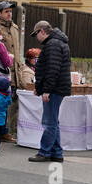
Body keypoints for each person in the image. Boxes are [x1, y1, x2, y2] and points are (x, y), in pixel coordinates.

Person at [28, 20, 72, 165]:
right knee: (53, 121)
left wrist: (46, 89)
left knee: (49, 122)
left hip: (54, 89)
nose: (36, 38)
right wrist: (41, 87)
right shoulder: (57, 42)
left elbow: (52, 69)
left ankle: (44, 152)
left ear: (42, 31)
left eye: (36, 34)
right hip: (57, 88)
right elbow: (51, 69)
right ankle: (56, 153)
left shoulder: (53, 44)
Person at [0, 1, 23, 139]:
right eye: (6, 11)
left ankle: (5, 131)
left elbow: (17, 50)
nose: (9, 14)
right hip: (0, 70)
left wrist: (19, 67)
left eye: (10, 11)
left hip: (14, 70)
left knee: (9, 102)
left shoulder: (15, 28)